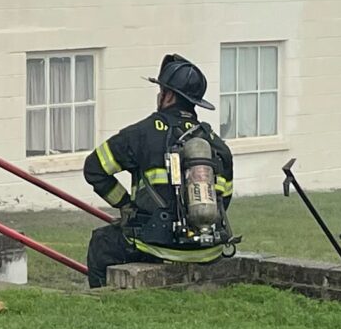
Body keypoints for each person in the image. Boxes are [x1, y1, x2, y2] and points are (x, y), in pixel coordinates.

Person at [81, 53, 238, 288]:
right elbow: (223, 200)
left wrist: (125, 204)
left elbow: (94, 168)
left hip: (157, 244)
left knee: (102, 243)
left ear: (168, 95)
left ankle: (103, 301)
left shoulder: (141, 133)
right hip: (208, 248)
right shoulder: (216, 144)